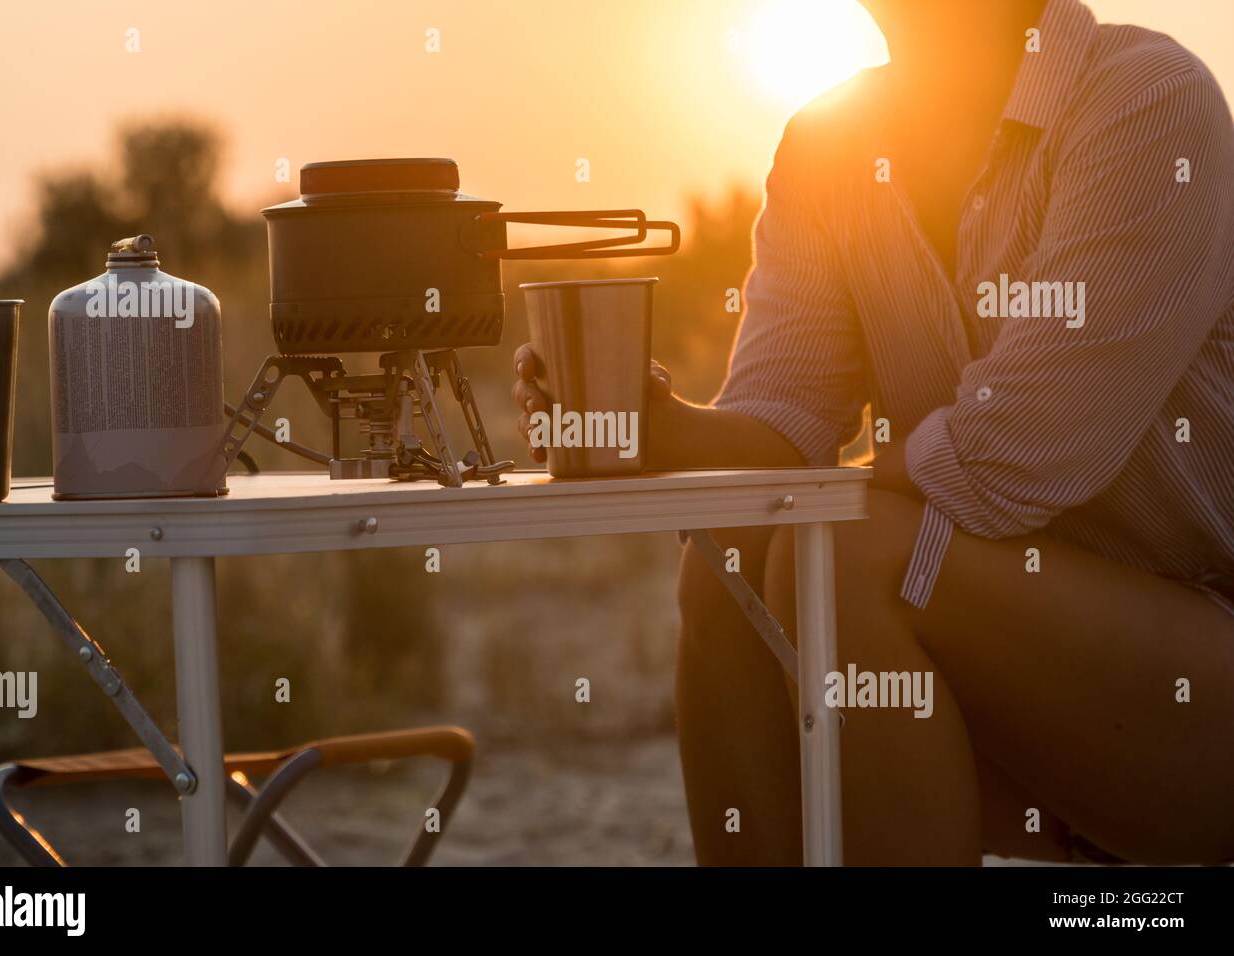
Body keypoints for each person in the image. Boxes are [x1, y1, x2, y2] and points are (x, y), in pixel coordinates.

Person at [513, 0, 1234, 865]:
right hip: (993, 691)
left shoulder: (1147, 102)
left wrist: (815, 504)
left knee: (850, 552)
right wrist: (649, 429)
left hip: (1196, 677)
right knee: (730, 554)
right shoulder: (829, 143)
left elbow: (1010, 456)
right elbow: (782, 429)